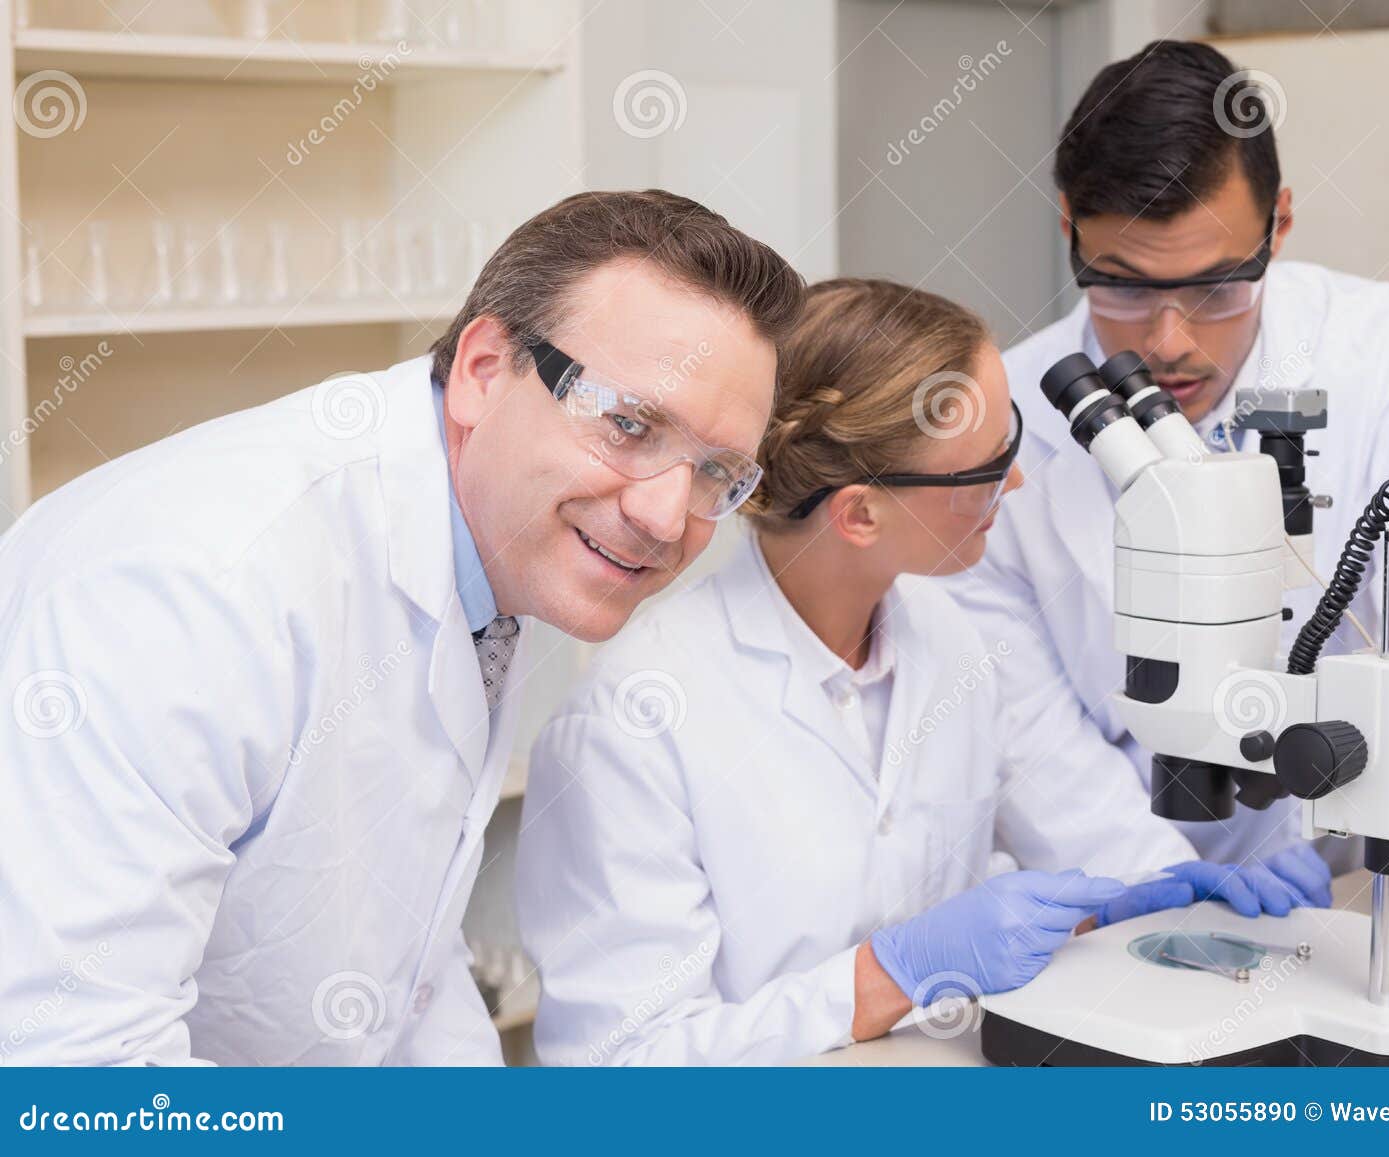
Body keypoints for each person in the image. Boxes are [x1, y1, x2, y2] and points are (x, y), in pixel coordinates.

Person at [0, 190, 803, 1065]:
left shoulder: (494, 550)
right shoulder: (197, 588)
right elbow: (72, 1081)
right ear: (484, 369)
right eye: (629, 424)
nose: (664, 516)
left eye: (716, 473)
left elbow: (403, 963)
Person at [517, 278, 1332, 1066]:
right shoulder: (632, 723)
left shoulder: (955, 638)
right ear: (860, 513)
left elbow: (1084, 821)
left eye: (1012, 439)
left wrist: (1168, 892)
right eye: (986, 468)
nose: (1016, 480)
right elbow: (622, 1061)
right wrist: (889, 973)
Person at [945, 40, 1389, 1030]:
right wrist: (1155, 879)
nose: (1169, 342)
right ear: (1068, 230)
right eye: (1122, 286)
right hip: (1118, 881)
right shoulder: (1000, 415)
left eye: (1218, 287)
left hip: (1342, 878)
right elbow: (1017, 712)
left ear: (1280, 223)